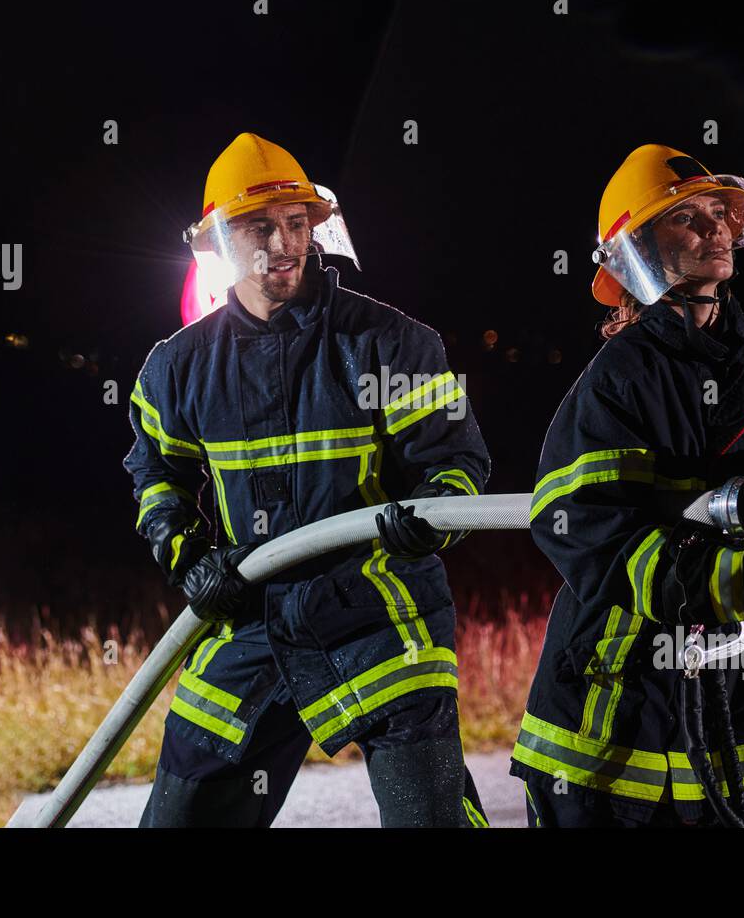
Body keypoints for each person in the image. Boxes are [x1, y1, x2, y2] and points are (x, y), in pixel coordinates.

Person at [511, 144, 744, 827]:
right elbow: (584, 526)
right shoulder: (618, 377)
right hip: (617, 709)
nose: (716, 229)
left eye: (720, 213)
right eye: (688, 219)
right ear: (642, 249)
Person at [127, 133, 491, 827]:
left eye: (297, 223)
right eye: (260, 225)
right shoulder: (177, 368)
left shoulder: (391, 343)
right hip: (251, 618)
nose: (284, 241)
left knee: (429, 817)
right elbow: (157, 477)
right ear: (217, 242)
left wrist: (432, 518)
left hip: (382, 613)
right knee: (181, 819)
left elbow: (456, 461)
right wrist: (192, 559)